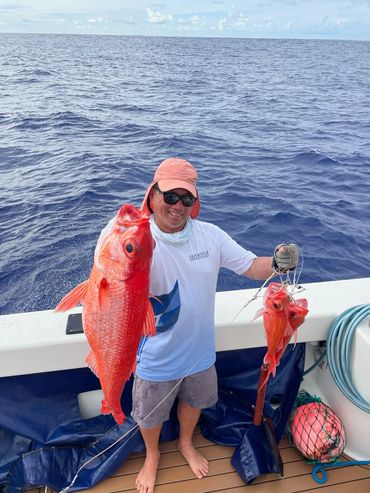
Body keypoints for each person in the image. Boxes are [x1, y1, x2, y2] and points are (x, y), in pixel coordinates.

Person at [131, 157, 298, 493]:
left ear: (195, 203)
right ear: (152, 196)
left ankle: (185, 443)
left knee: (194, 402)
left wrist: (278, 264)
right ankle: (152, 455)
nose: (178, 206)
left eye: (187, 198)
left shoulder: (211, 236)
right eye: (170, 196)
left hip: (199, 352)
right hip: (153, 355)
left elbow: (251, 266)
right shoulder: (132, 238)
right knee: (149, 415)